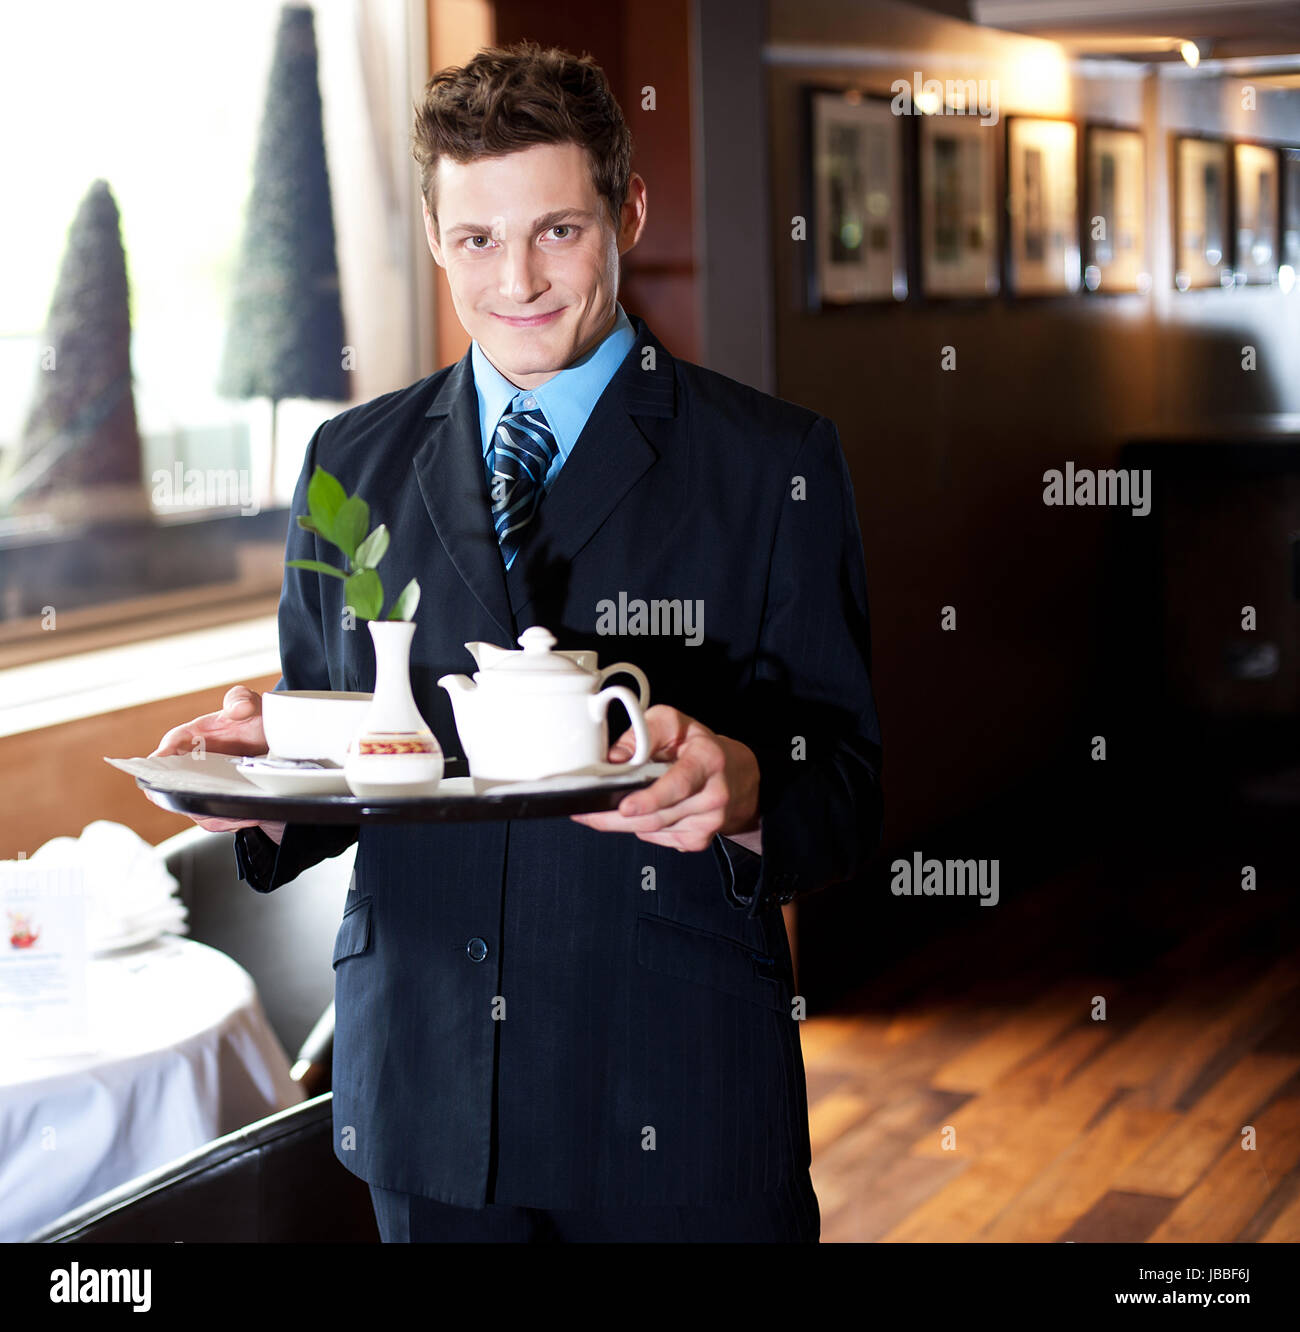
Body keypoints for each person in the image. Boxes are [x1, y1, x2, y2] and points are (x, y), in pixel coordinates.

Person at [152, 40, 882, 1243]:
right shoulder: (350, 462)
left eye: (557, 230)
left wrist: (745, 789)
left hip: (675, 1090)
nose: (519, 280)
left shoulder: (775, 464)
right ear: (436, 237)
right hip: (424, 1084)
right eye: (478, 239)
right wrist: (260, 779)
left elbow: (848, 789)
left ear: (627, 212)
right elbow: (339, 754)